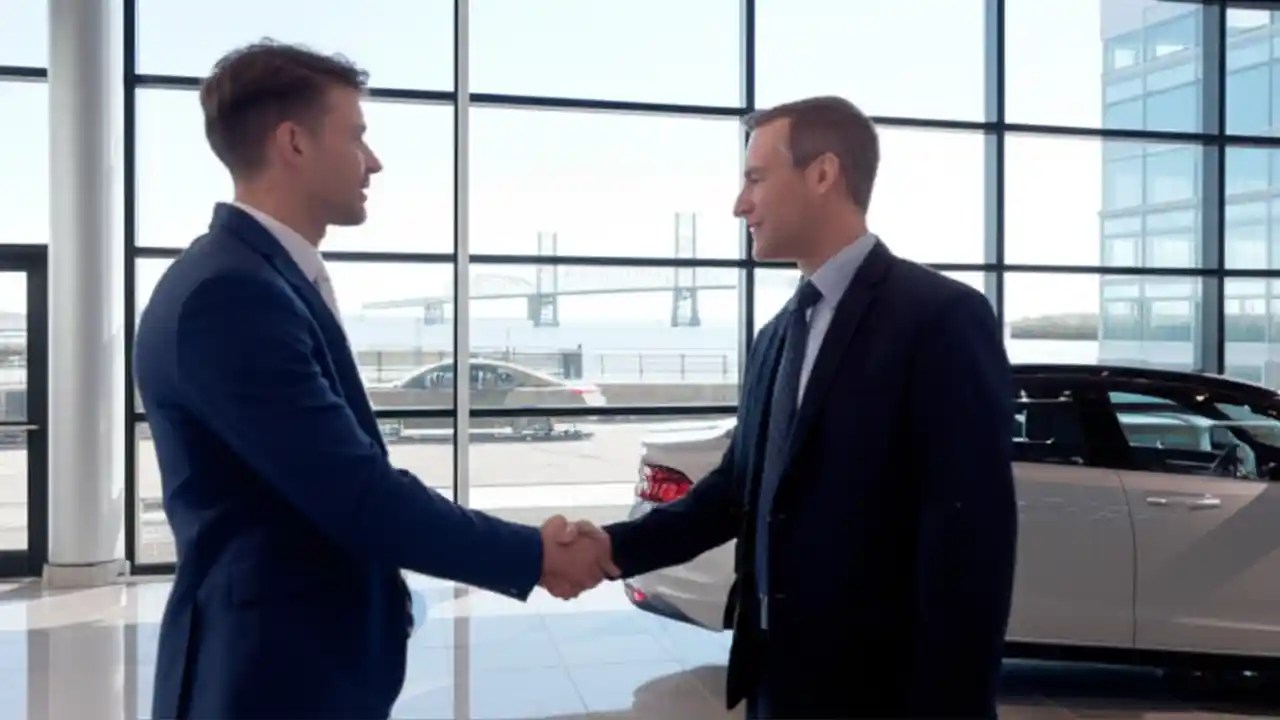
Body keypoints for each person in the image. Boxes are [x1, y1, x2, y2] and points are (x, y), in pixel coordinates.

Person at [133, 41, 615, 720]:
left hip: (293, 664)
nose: (374, 160)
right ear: (294, 142)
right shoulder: (230, 295)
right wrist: (534, 554)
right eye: (357, 135)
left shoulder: (254, 277)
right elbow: (354, 490)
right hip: (268, 679)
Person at [573, 96, 1018, 719]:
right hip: (776, 685)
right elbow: (735, 493)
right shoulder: (776, 336)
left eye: (755, 178)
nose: (740, 204)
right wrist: (609, 548)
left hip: (883, 698)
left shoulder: (941, 318)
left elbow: (972, 540)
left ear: (822, 174)